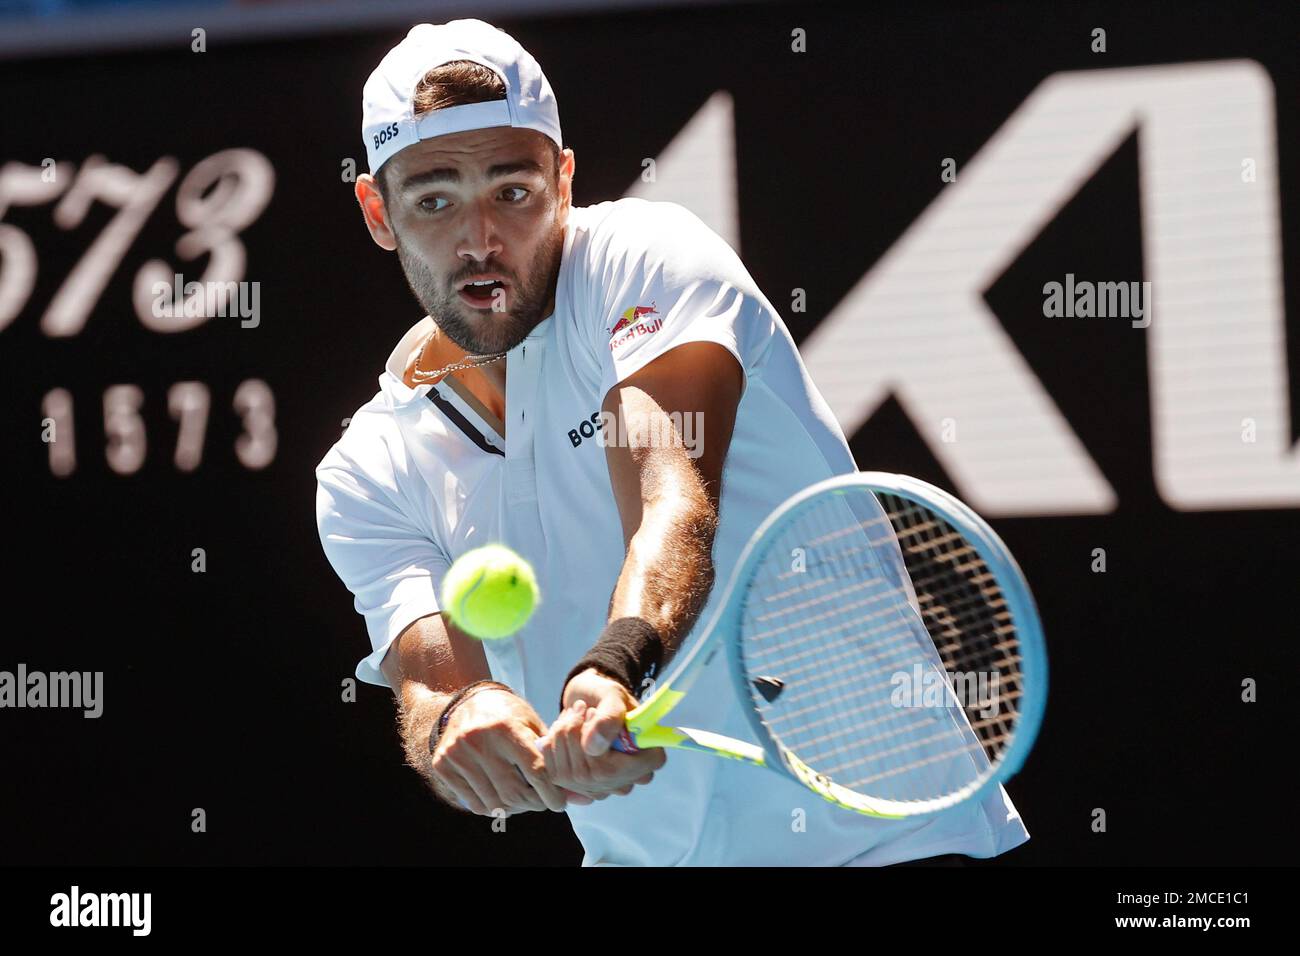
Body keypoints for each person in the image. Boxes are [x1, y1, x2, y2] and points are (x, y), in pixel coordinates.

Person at [315, 18, 1030, 866]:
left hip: (893, 839)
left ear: (564, 181)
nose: (479, 241)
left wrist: (613, 668)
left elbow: (674, 503)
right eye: (434, 200)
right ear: (377, 211)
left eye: (513, 191)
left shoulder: (644, 261)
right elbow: (435, 682)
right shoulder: (368, 475)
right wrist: (462, 724)